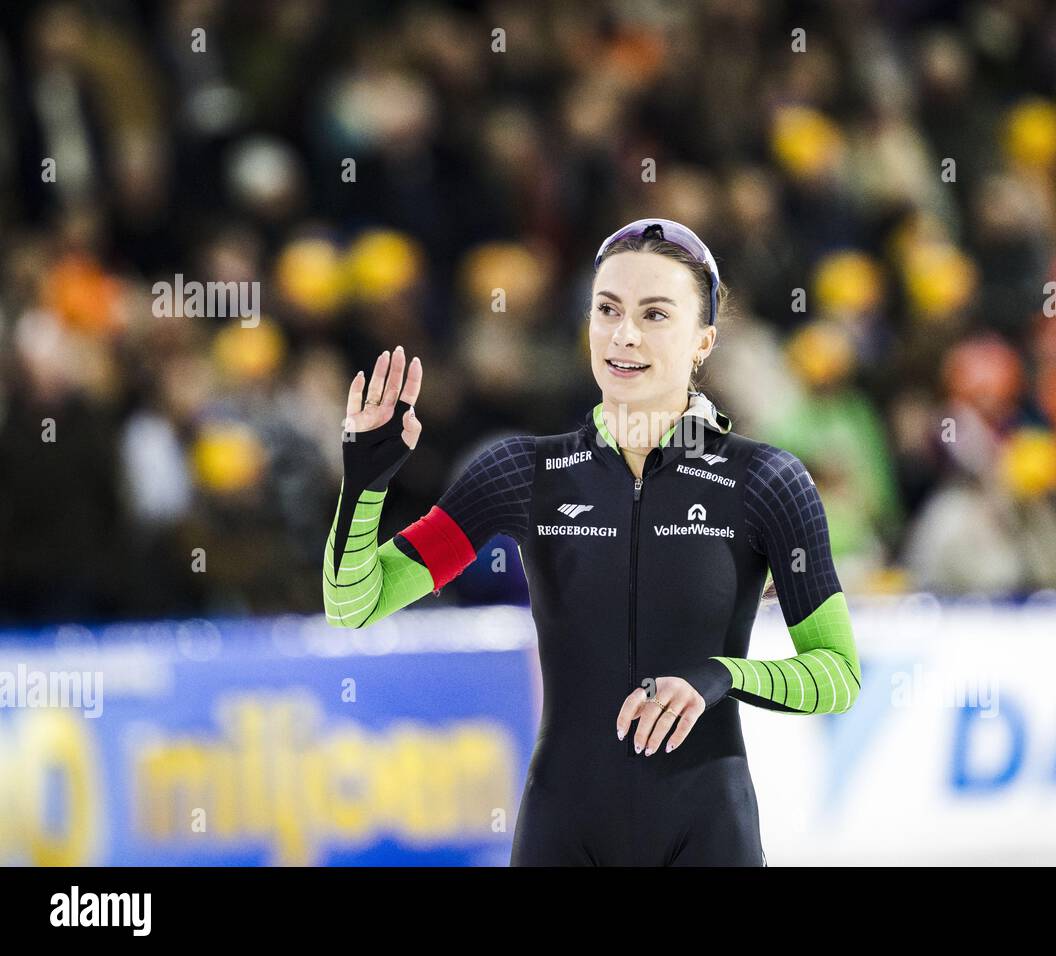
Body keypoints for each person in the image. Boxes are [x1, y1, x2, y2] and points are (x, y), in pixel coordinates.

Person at [322, 218, 862, 866]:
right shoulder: (520, 472)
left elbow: (837, 676)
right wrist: (365, 486)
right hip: (562, 832)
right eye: (606, 310)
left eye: (655, 314)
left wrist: (723, 676)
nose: (623, 334)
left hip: (708, 832)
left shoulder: (767, 481)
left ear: (703, 341)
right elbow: (354, 604)